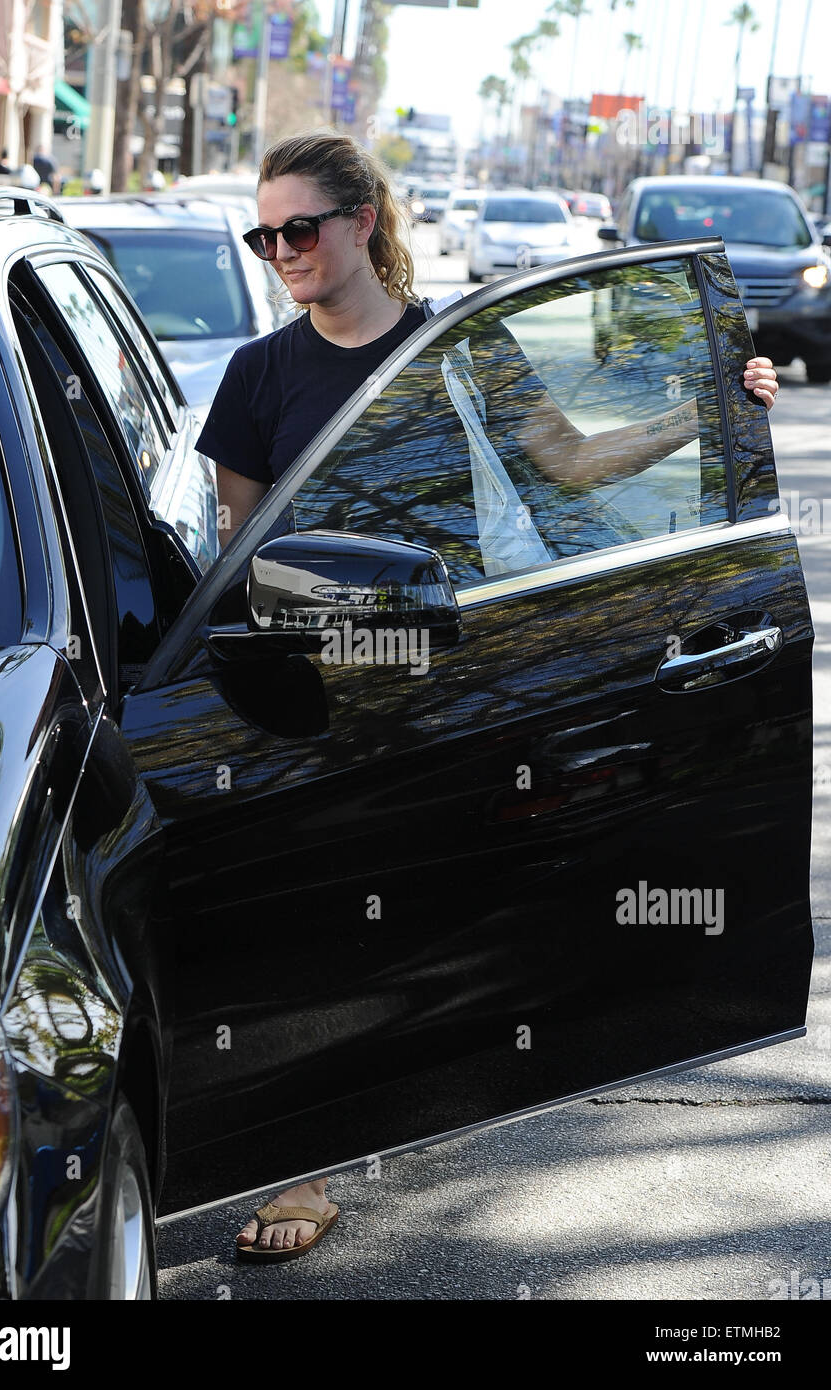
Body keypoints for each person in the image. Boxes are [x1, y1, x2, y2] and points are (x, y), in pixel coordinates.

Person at [194, 131, 780, 1262]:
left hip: (443, 660)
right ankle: (306, 1164)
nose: (282, 253)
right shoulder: (257, 375)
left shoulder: (453, 348)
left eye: (300, 230)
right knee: (313, 908)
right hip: (313, 679)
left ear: (362, 222)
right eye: (265, 236)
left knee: (445, 895)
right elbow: (238, 549)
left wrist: (708, 414)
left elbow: (566, 462)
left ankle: (446, 1075)